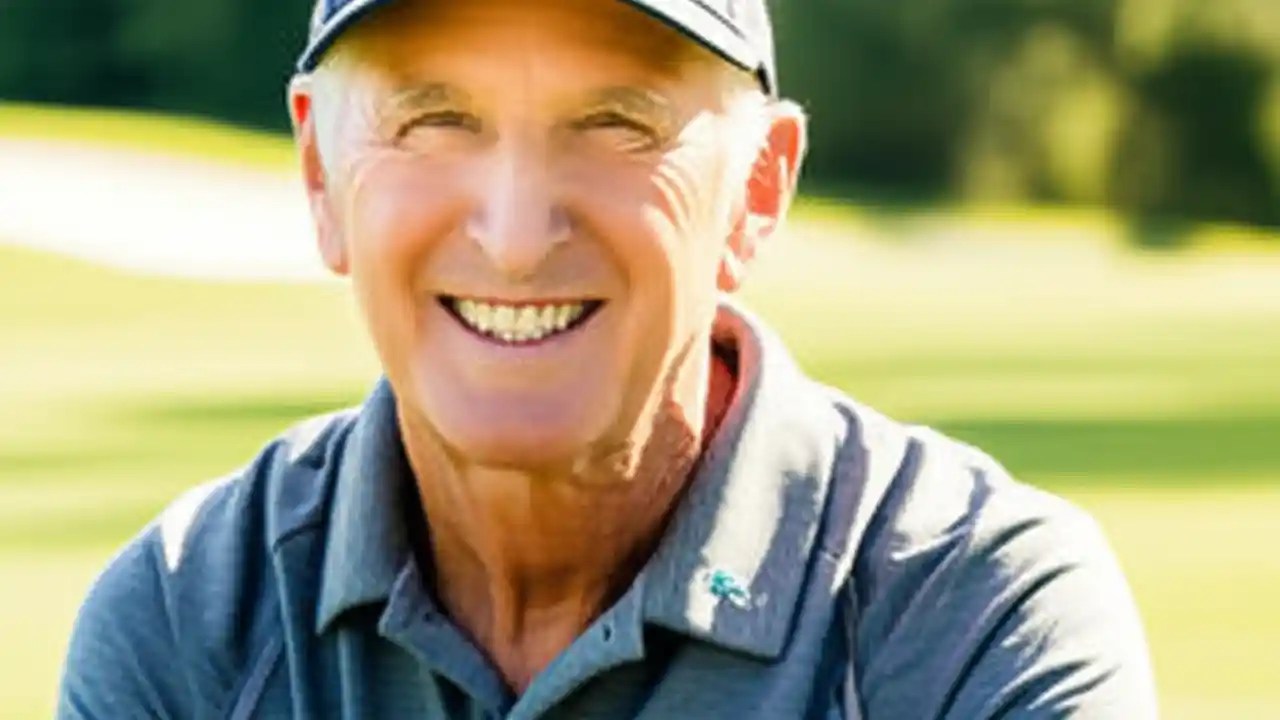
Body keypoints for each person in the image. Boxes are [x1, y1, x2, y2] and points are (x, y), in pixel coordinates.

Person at [56, 0, 1158, 717]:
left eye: (617, 124)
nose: (516, 232)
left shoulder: (975, 614)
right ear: (317, 175)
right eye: (435, 116)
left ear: (757, 189)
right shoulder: (192, 615)